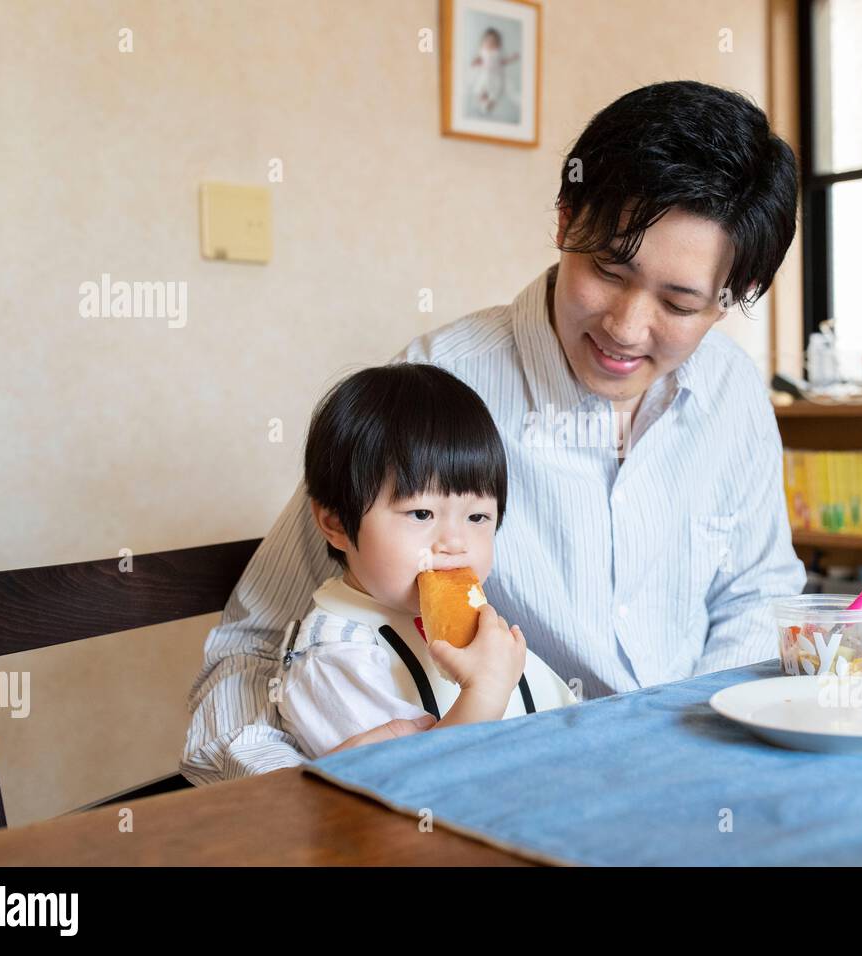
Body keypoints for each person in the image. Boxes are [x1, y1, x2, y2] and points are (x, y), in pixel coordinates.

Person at [181, 79, 805, 783]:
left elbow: (759, 596)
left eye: (679, 302)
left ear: (729, 301)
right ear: (566, 219)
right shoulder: (437, 388)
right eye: (607, 270)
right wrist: (303, 790)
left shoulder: (733, 391)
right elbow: (252, 649)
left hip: (698, 779)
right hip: (500, 793)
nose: (627, 329)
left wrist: (689, 748)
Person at [275, 363, 577, 760]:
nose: (455, 543)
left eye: (477, 517)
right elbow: (407, 785)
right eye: (421, 514)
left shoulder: (472, 619)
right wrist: (483, 693)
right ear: (336, 524)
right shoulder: (332, 659)